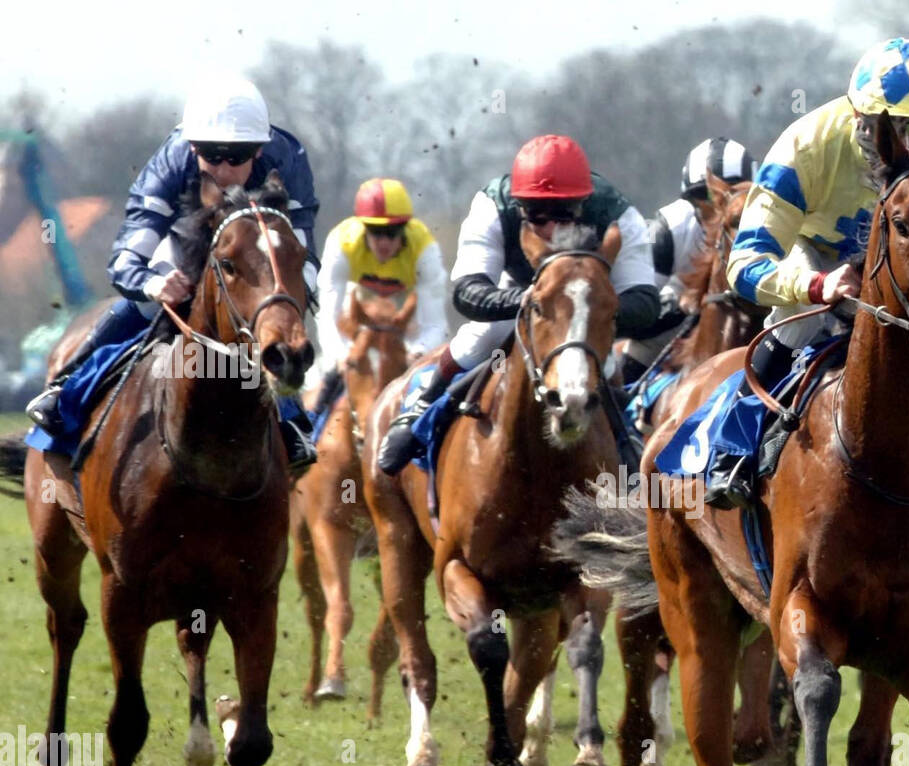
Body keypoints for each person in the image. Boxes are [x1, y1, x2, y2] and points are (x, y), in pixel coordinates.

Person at [708, 37, 909, 508]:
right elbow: (743, 265)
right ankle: (733, 452)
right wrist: (813, 284)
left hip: (902, 274)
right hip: (819, 255)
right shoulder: (805, 145)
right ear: (859, 116)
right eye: (896, 127)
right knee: (802, 315)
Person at [24, 77, 321, 473]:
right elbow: (127, 259)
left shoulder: (288, 157)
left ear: (261, 149)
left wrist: (288, 295)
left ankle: (292, 421)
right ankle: (67, 385)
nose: (225, 169)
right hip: (185, 244)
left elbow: (303, 251)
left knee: (271, 312)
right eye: (213, 156)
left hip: (258, 259)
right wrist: (153, 284)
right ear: (192, 147)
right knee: (148, 303)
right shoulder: (170, 162)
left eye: (239, 156)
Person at [376, 134, 658, 475]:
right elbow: (467, 291)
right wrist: (527, 302)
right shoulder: (492, 205)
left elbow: (645, 302)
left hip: (585, 299)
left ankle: (626, 436)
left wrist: (589, 312)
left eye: (564, 214)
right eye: (537, 216)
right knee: (484, 335)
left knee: (605, 360)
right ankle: (422, 404)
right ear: (519, 206)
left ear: (584, 203)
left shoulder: (618, 215)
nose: (551, 228)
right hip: (519, 289)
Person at [620, 137, 757, 384]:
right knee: (639, 349)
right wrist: (679, 309)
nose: (719, 206)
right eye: (708, 196)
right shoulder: (668, 228)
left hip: (750, 311)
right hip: (679, 314)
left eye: (734, 195)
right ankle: (624, 415)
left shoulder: (769, 222)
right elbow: (639, 307)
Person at [309, 177, 449, 406]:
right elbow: (327, 315)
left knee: (432, 379)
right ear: (364, 227)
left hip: (405, 319)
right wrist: (341, 355)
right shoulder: (341, 243)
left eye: (393, 232)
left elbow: (435, 324)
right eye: (375, 231)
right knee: (325, 375)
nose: (384, 242)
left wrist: (418, 352)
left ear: (405, 229)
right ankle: (313, 421)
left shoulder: (424, 248)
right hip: (353, 314)